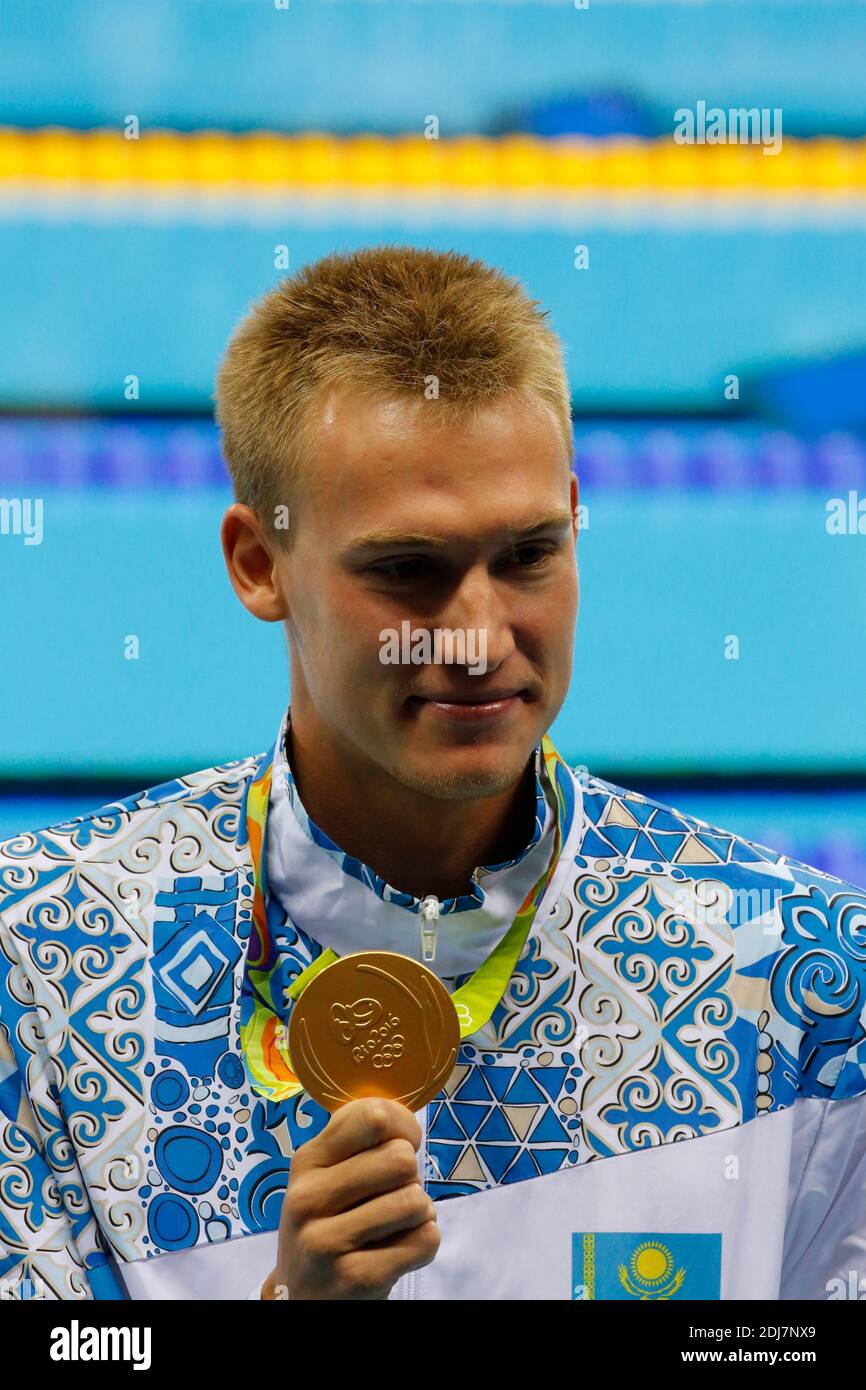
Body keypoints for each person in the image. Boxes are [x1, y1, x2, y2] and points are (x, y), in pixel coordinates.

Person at [1, 246, 864, 1302]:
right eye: (407, 570)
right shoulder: (43, 961)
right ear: (257, 564)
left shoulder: (803, 984)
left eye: (527, 554)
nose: (475, 635)